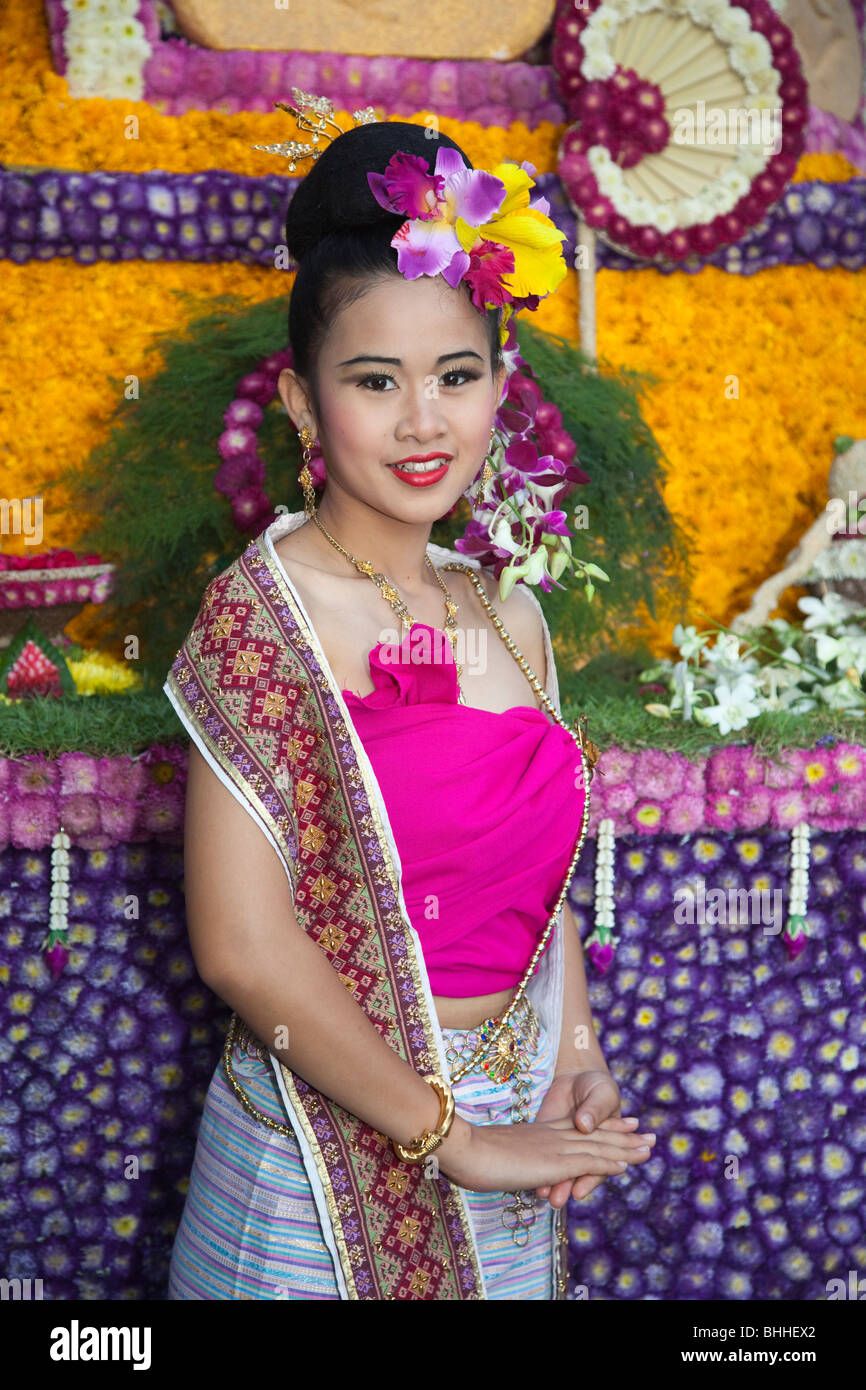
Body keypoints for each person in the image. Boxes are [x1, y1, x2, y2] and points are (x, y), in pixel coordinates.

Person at [163, 115, 656, 1301]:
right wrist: (458, 1139)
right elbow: (241, 945)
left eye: (456, 375)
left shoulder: (509, 614)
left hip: (510, 1158)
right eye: (374, 381)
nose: (423, 422)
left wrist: (565, 1068)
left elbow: (538, 901)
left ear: (498, 385)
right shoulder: (263, 618)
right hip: (316, 1172)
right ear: (299, 402)